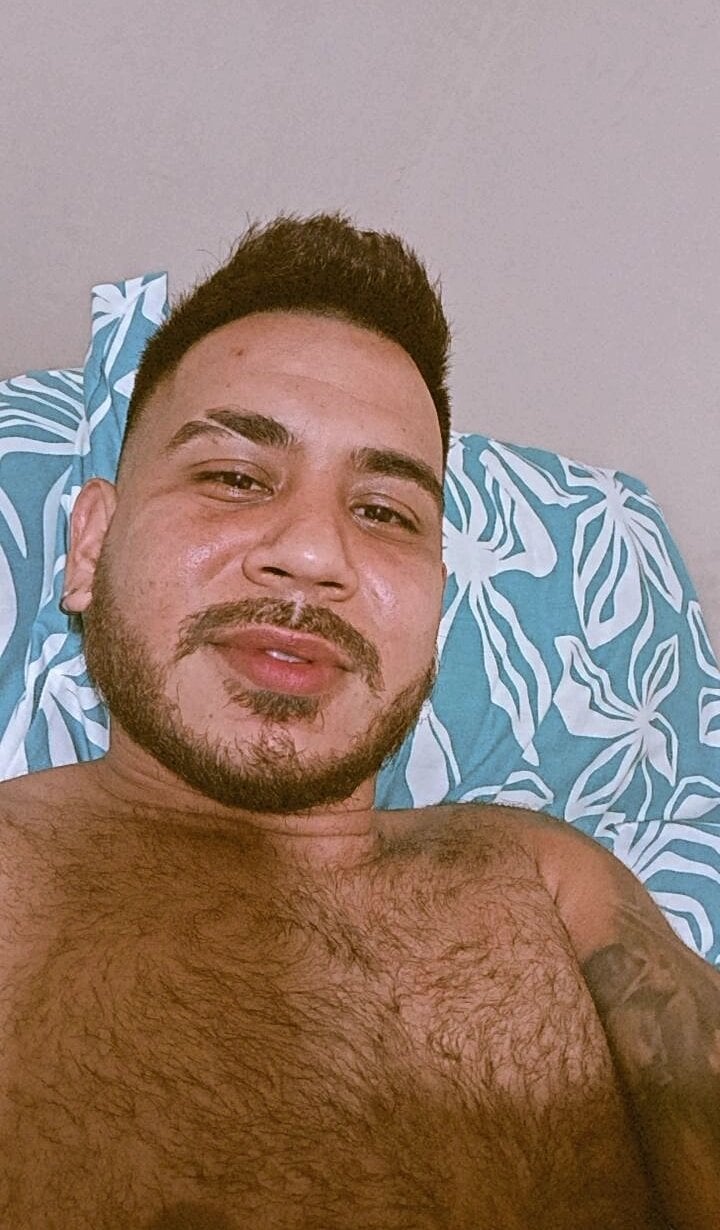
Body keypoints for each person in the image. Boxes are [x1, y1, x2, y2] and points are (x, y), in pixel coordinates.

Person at [0, 214, 717, 1230]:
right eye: (235, 478)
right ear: (90, 549)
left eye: (384, 512)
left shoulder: (550, 882)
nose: (312, 554)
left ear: (437, 605)